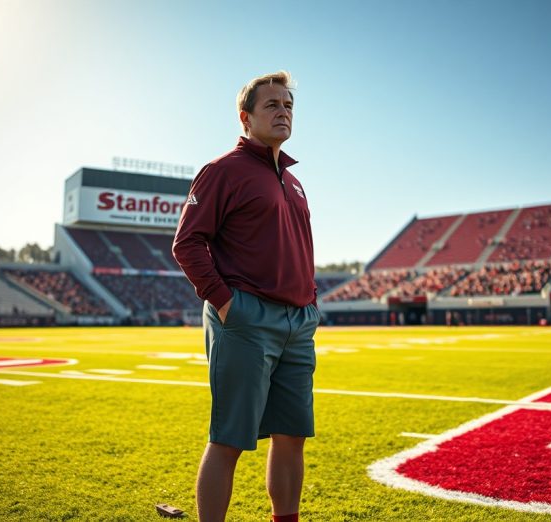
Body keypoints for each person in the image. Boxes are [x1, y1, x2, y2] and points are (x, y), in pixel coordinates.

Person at [171, 71, 319, 522]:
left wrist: (310, 301)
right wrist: (224, 300)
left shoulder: (293, 181)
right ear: (245, 117)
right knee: (230, 438)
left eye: (288, 105)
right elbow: (187, 243)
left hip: (299, 321)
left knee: (291, 436)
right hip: (246, 316)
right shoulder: (222, 171)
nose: (283, 111)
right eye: (271, 105)